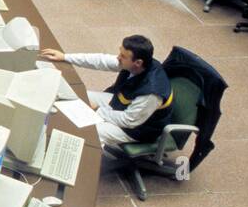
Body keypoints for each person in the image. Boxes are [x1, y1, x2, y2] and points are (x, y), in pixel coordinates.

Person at [39, 35, 173, 150]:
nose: (118, 58)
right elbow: (100, 61)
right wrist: (65, 57)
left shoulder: (151, 93)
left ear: (137, 62)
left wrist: (98, 110)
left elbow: (129, 121)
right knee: (75, 97)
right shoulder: (137, 64)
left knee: (87, 131)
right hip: (123, 105)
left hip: (136, 128)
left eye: (123, 56)